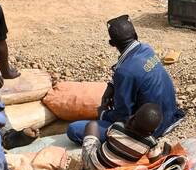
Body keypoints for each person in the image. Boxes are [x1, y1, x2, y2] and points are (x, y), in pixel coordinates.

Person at [67, 16, 184, 147]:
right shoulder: (146, 49)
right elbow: (130, 69)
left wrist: (103, 114)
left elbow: (123, 116)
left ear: (112, 44)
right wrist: (112, 85)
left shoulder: (125, 72)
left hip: (150, 129)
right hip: (168, 116)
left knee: (74, 129)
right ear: (136, 35)